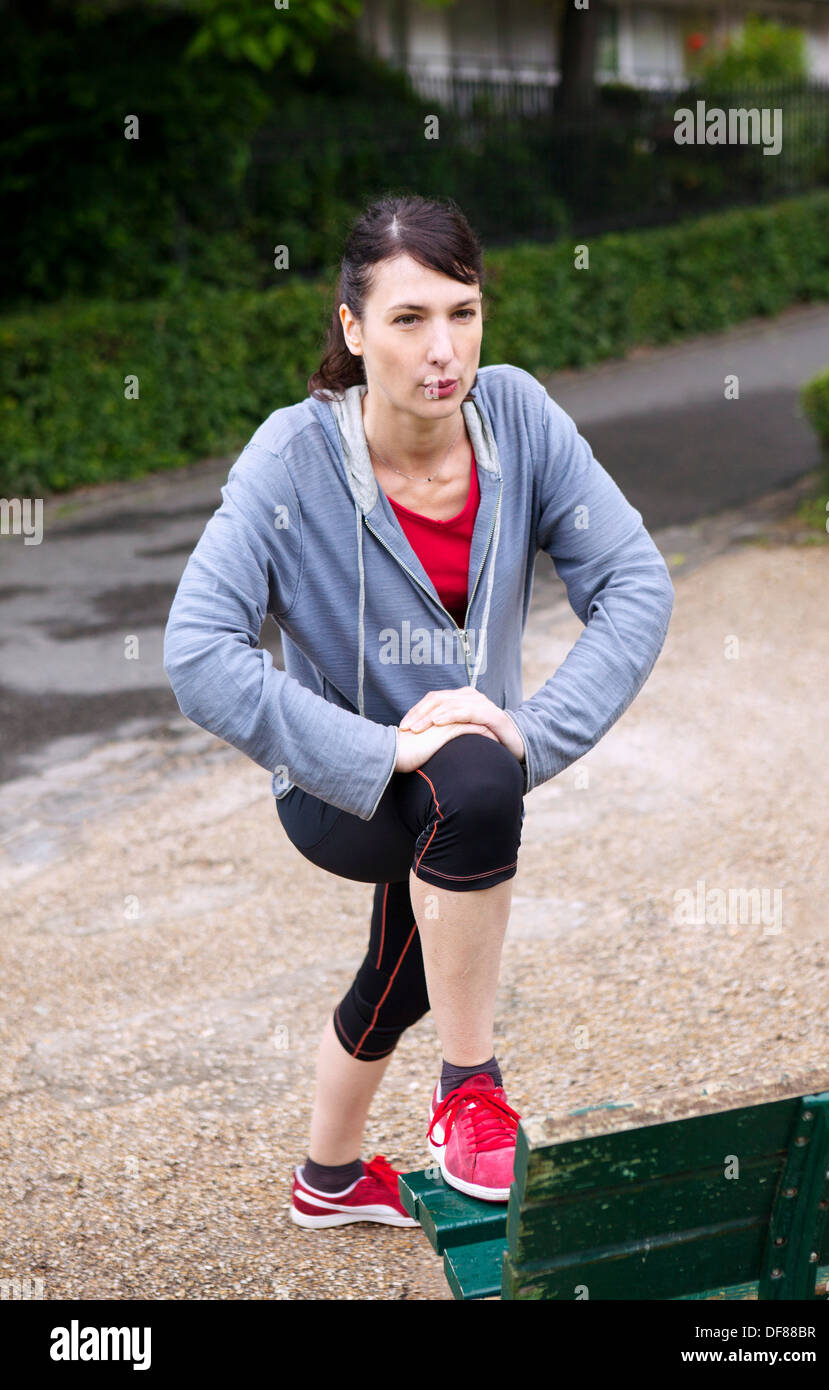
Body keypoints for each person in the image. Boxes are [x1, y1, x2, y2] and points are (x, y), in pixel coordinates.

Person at [163, 193, 675, 1231]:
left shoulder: (520, 418)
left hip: (472, 781)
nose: (442, 350)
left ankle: (330, 1176)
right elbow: (196, 654)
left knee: (411, 949)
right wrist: (385, 744)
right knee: (469, 788)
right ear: (352, 329)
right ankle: (469, 1091)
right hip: (336, 791)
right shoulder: (288, 460)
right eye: (407, 319)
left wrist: (531, 729)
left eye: (462, 312)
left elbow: (636, 586)